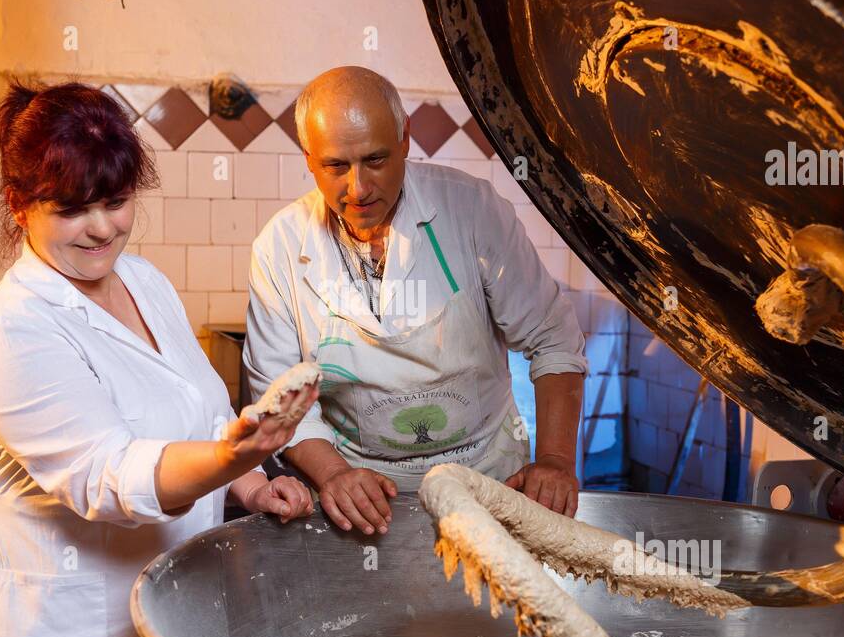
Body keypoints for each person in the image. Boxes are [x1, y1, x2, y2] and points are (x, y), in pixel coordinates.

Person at [0, 81, 318, 637]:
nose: (101, 229)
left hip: (172, 609)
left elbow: (202, 416)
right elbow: (109, 478)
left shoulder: (144, 282)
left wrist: (255, 483)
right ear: (18, 205)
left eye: (116, 202)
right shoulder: (11, 331)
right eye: (71, 209)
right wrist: (228, 455)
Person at [244, 66, 587, 537]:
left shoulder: (472, 210)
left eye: (377, 159)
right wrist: (333, 476)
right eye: (336, 167)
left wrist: (553, 459)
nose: (359, 188)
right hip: (359, 495)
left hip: (487, 478)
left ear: (406, 140)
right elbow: (278, 400)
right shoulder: (279, 247)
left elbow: (553, 339)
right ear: (308, 158)